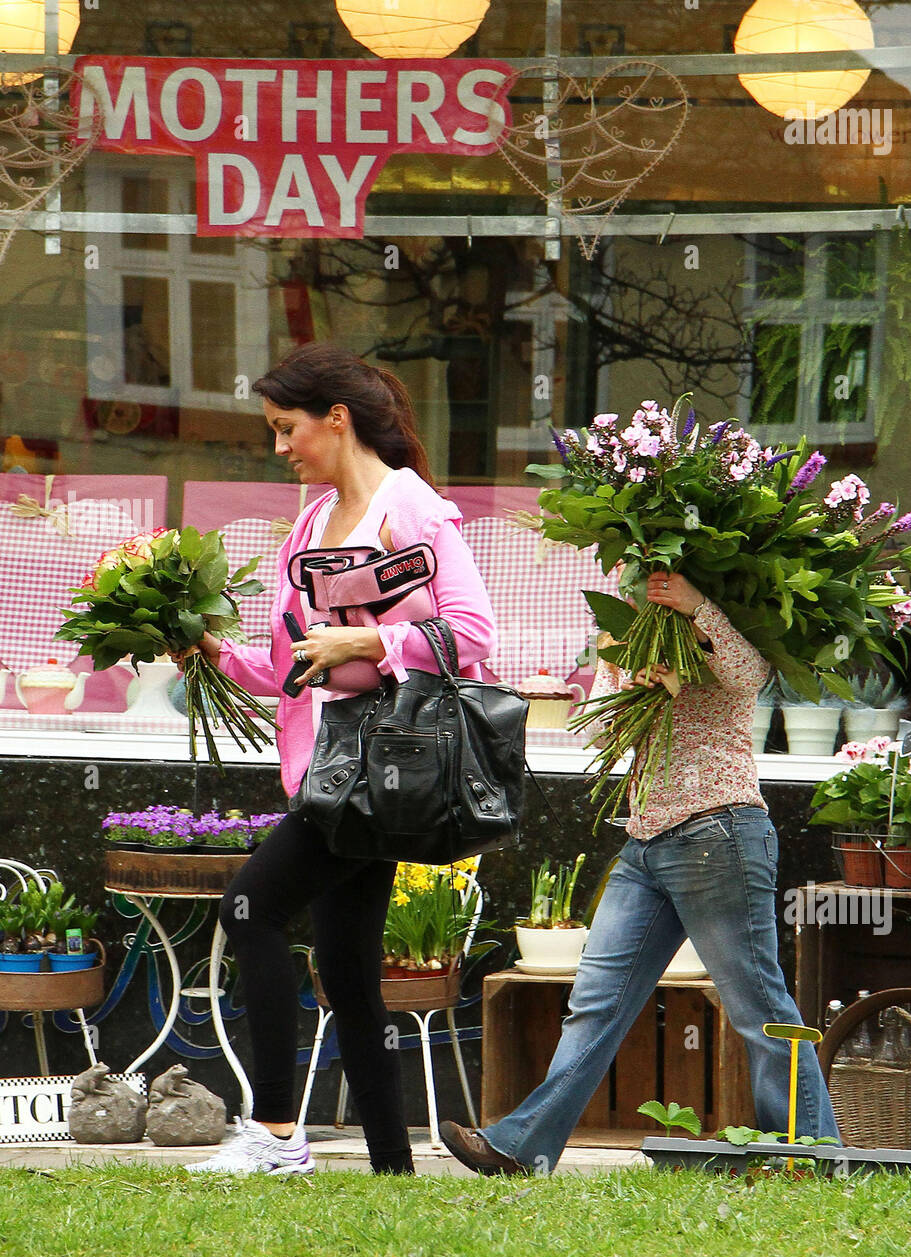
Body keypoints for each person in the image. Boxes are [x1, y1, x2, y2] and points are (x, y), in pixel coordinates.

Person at [184, 343, 497, 1177]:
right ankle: (392, 1168)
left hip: (383, 770)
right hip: (336, 770)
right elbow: (291, 661)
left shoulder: (413, 510)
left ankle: (278, 1134)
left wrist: (370, 638)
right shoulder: (310, 527)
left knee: (249, 907)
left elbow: (472, 636)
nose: (278, 447)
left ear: (337, 418)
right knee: (349, 970)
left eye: (287, 429)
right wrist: (209, 650)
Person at [440, 570, 839, 1176]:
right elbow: (597, 728)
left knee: (758, 1005)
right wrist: (616, 662)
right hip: (645, 842)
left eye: (655, 584)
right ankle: (520, 1148)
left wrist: (698, 602)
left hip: (718, 833)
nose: (640, 591)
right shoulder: (635, 640)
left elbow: (749, 676)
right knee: (595, 1004)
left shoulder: (717, 633)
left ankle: (808, 1154)